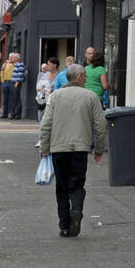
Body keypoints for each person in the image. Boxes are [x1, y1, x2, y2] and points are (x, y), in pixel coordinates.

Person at [38, 63, 107, 237]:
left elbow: (45, 125)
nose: (86, 78)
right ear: (78, 77)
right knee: (77, 184)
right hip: (80, 148)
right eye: (84, 75)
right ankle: (76, 209)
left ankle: (64, 226)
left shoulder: (55, 96)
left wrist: (45, 149)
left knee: (61, 187)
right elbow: (100, 125)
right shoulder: (91, 96)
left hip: (58, 148)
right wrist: (99, 148)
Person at [8, 51, 27, 120]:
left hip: (16, 83)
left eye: (14, 57)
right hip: (13, 82)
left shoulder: (20, 65)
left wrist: (17, 83)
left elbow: (20, 74)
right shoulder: (15, 64)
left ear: (17, 58)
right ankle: (13, 113)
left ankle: (18, 114)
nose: (12, 58)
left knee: (17, 98)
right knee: (13, 99)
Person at [0, 53, 14, 118]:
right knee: (5, 99)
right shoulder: (5, 64)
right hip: (5, 82)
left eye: (12, 57)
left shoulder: (15, 64)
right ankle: (5, 114)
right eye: (10, 57)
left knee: (12, 99)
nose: (10, 58)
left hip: (12, 82)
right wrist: (2, 80)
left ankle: (11, 113)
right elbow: (1, 71)